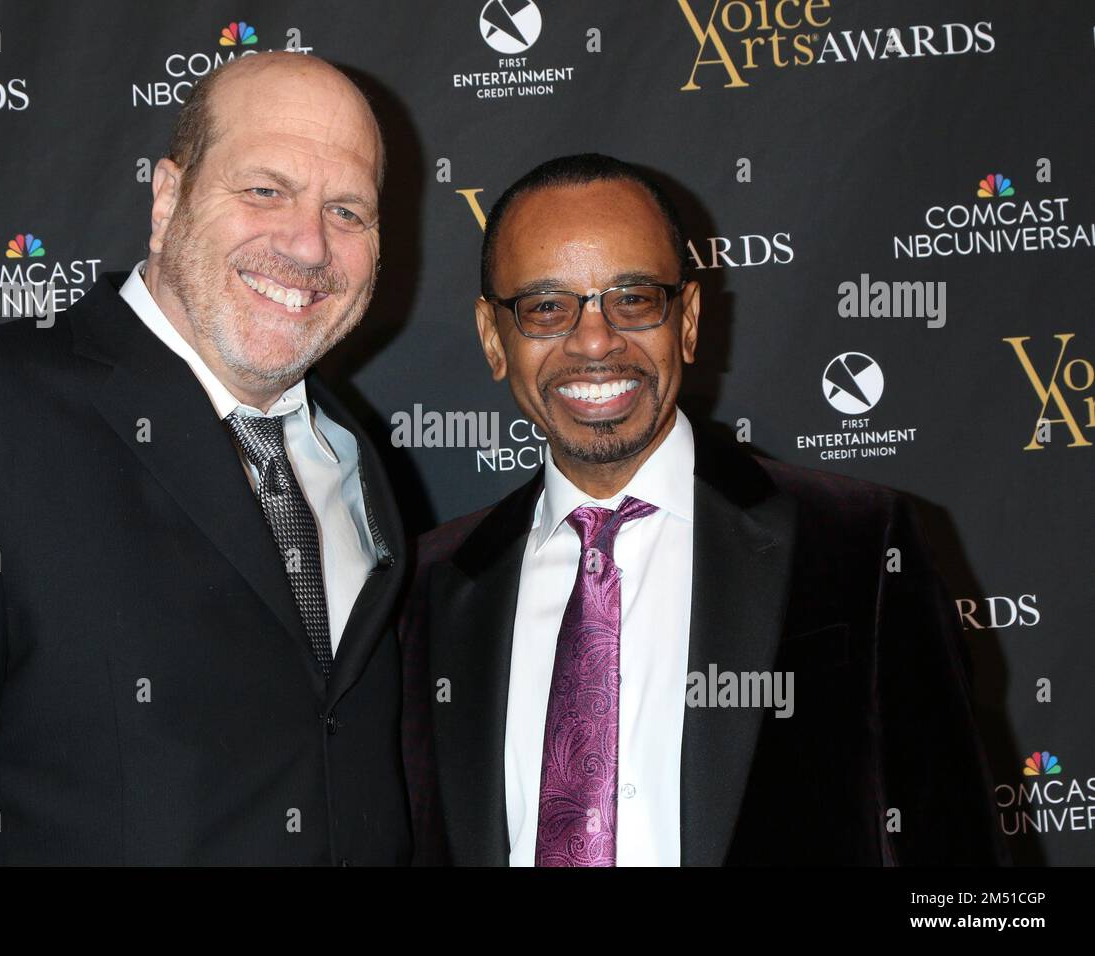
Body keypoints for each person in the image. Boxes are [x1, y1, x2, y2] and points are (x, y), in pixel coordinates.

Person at [0, 52, 411, 865]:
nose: (307, 243)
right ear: (167, 198)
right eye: (265, 189)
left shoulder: (353, 460)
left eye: (349, 211)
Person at [400, 153, 1007, 866]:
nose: (594, 340)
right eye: (545, 307)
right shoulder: (428, 589)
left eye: (633, 299)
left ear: (687, 319)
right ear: (492, 338)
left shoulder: (859, 545)